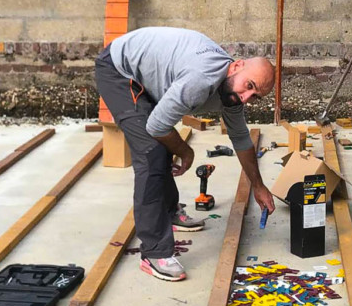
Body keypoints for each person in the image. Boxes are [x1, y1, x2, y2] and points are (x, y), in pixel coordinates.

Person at [95, 27, 276, 281]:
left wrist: (258, 185)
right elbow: (157, 126)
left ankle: (169, 212)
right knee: (152, 152)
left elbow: (241, 138)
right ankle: (154, 252)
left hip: (147, 72)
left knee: (163, 142)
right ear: (236, 66)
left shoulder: (231, 90)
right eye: (249, 86)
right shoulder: (201, 79)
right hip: (119, 71)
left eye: (254, 96)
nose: (245, 98)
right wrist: (186, 152)